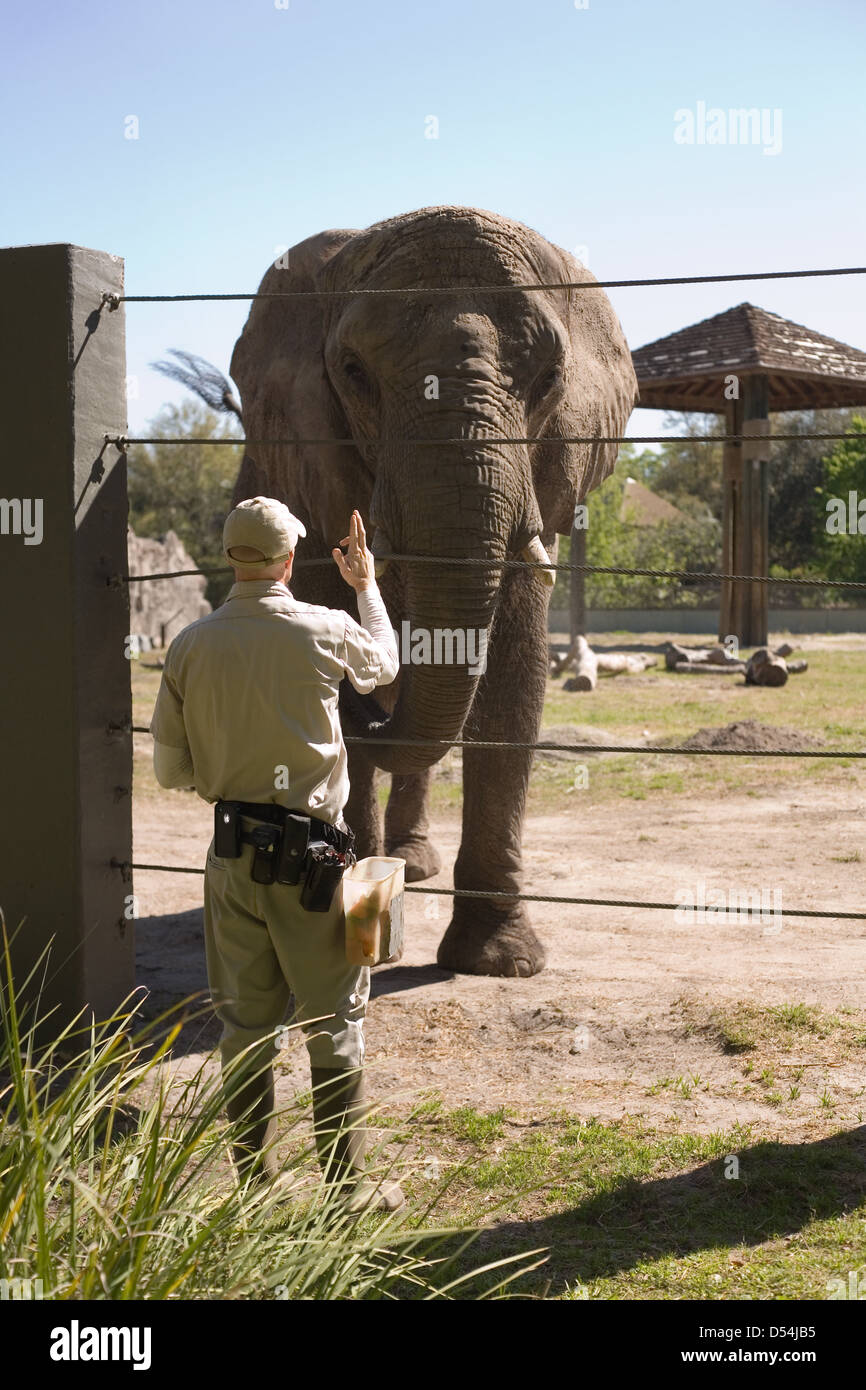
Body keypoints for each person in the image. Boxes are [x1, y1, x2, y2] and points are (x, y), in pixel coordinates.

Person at [150, 497, 403, 1210]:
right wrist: (365, 585)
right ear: (291, 559)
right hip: (312, 867)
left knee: (245, 1024)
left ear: (231, 557)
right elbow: (382, 667)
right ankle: (345, 1193)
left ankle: (255, 1188)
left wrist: (229, 779)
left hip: (230, 860)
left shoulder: (190, 644)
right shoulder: (323, 629)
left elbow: (171, 773)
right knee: (335, 1019)